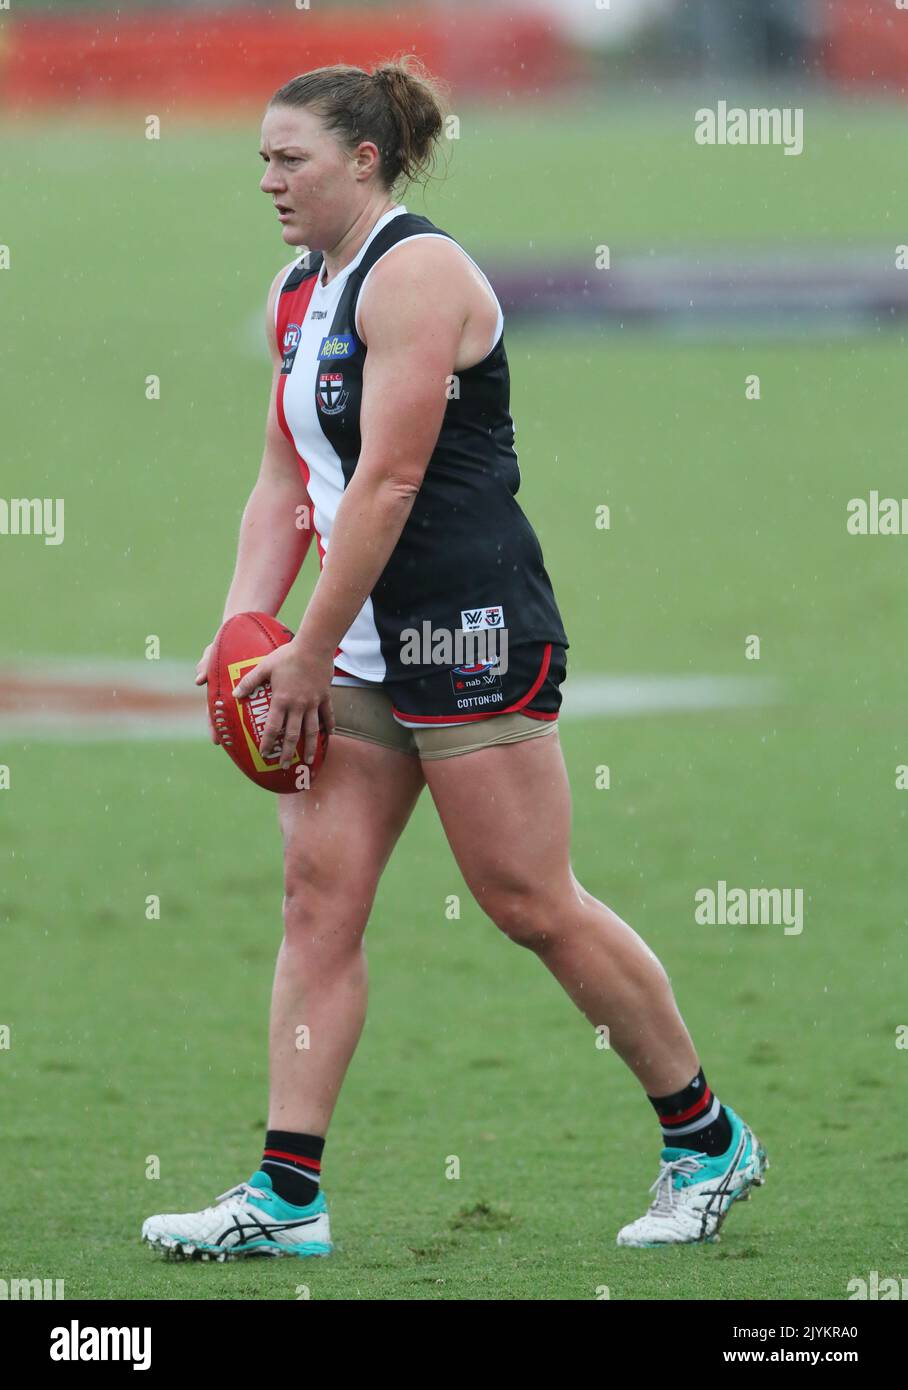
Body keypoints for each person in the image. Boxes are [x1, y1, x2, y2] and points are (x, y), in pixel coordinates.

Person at [142, 58, 766, 1262]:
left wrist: (309, 650)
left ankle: (705, 1138)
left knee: (526, 899)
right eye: (261, 159)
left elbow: (388, 478)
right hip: (354, 639)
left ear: (363, 161)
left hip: (466, 628)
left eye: (290, 159)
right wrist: (240, 634)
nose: (266, 179)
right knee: (316, 902)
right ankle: (286, 1196)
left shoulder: (416, 273)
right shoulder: (296, 289)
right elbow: (287, 479)